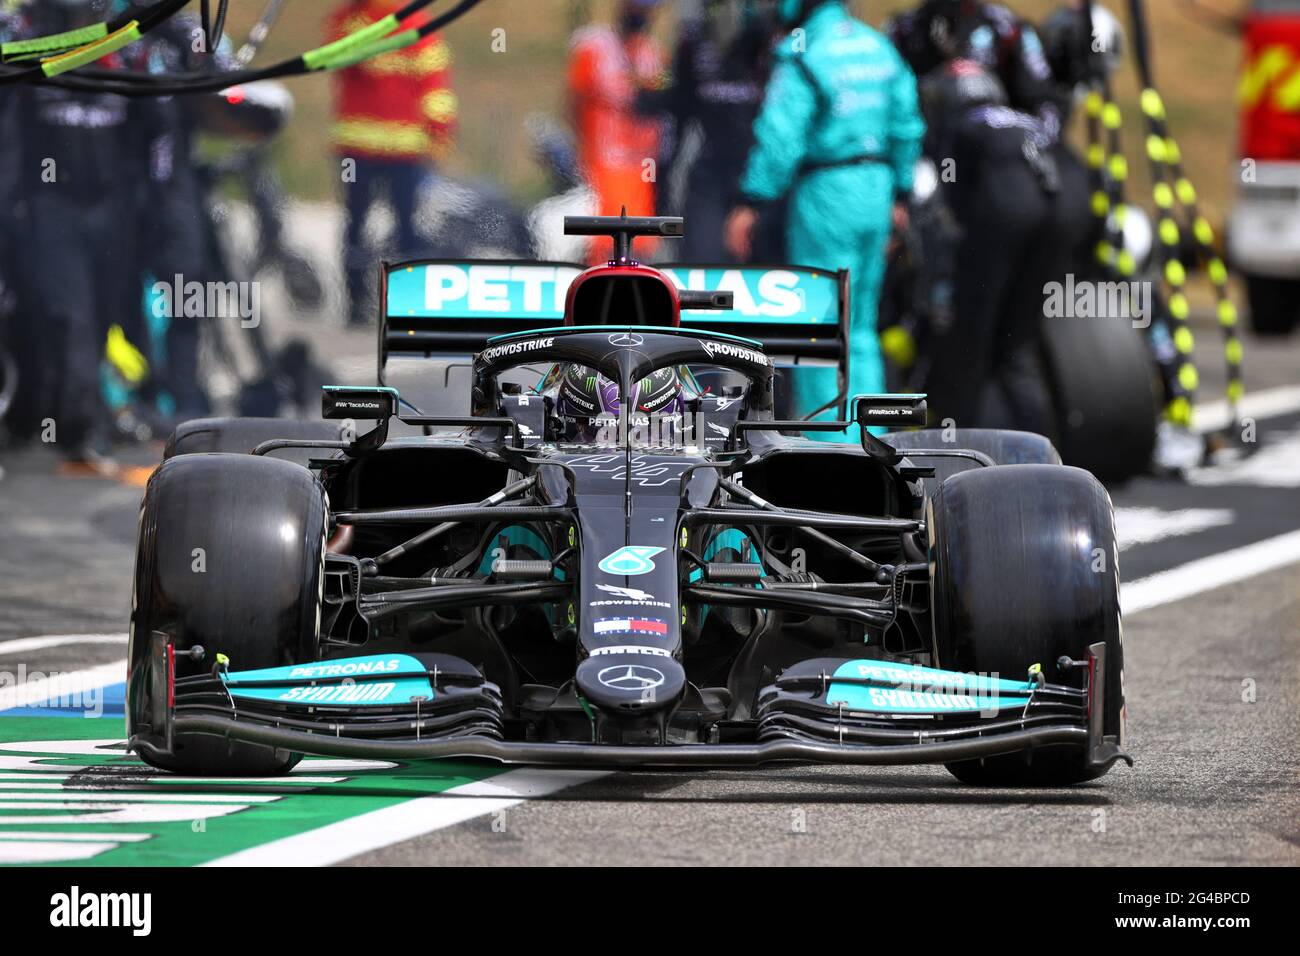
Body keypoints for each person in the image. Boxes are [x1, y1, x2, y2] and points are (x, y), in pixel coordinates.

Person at [725, 0, 924, 430]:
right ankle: (872, 435)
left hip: (827, 194)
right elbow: (907, 124)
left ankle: (829, 444)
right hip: (879, 190)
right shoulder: (877, 47)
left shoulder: (802, 53)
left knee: (822, 326)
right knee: (862, 328)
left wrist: (751, 201)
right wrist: (901, 196)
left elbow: (780, 138)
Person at [0, 0, 164, 471]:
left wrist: (148, 204)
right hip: (49, 209)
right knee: (70, 316)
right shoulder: (25, 36)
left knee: (104, 317)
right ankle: (78, 428)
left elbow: (157, 131)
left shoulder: (133, 44)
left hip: (113, 209)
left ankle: (83, 417)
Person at [327, 0, 457, 324]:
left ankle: (406, 306)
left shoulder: (414, 22)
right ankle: (358, 302)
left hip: (404, 150)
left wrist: (439, 128)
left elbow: (434, 81)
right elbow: (340, 59)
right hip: (360, 148)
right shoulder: (349, 21)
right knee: (357, 226)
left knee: (407, 228)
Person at [641, 0, 777, 261]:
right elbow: (674, 118)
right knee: (702, 268)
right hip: (710, 180)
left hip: (763, 182)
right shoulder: (693, 42)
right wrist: (660, 191)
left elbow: (788, 129)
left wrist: (758, 199)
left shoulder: (774, 40)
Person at [568, 0, 668, 262]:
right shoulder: (594, 48)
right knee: (602, 250)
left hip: (642, 175)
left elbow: (663, 97)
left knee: (641, 252)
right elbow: (573, 102)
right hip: (601, 171)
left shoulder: (654, 54)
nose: (640, 14)